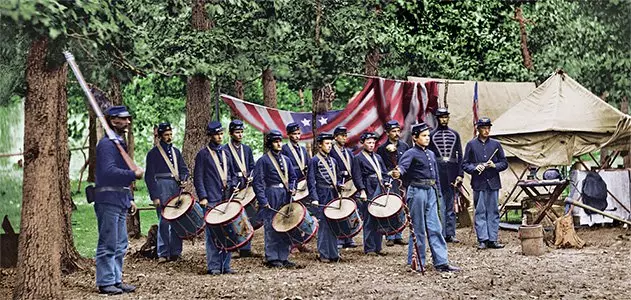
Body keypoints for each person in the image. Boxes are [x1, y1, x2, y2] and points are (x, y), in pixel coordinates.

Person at [394, 122, 460, 272]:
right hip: (417, 192)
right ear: (415, 137)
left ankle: (442, 262)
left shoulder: (430, 153)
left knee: (435, 227)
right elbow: (402, 167)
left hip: (431, 191)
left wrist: (437, 192)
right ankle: (417, 261)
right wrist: (398, 172)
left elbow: (435, 175)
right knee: (417, 229)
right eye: (423, 136)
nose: (427, 138)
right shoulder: (410, 153)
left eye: (428, 136)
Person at [94, 105, 143, 294]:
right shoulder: (106, 144)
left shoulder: (117, 142)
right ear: (114, 121)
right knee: (108, 242)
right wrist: (133, 174)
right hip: (107, 198)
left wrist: (129, 198)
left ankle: (116, 278)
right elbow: (108, 172)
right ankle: (106, 282)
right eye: (124, 119)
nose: (128, 122)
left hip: (120, 198)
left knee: (121, 242)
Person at [193, 121, 238, 275]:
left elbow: (232, 174)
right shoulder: (203, 154)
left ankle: (226, 266)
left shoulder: (226, 153)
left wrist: (233, 185)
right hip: (211, 198)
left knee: (228, 232)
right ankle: (213, 266)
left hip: (226, 198)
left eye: (221, 133)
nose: (219, 136)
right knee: (212, 234)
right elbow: (198, 178)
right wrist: (203, 196)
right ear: (210, 136)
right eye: (216, 134)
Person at [145, 122, 190, 263]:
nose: (169, 137)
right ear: (160, 136)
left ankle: (176, 251)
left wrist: (184, 179)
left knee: (177, 218)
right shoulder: (153, 153)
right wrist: (155, 196)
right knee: (164, 220)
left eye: (170, 134)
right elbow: (148, 176)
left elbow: (184, 169)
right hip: (162, 186)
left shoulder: (176, 152)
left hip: (176, 187)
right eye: (166, 135)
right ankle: (163, 252)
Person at [252, 130, 298, 268]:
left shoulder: (287, 160)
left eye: (280, 141)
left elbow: (294, 177)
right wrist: (263, 200)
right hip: (271, 194)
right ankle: (272, 257)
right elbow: (258, 182)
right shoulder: (263, 160)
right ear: (270, 144)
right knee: (271, 225)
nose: (279, 144)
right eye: (275, 141)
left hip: (285, 195)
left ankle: (283, 256)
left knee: (285, 224)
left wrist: (292, 187)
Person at [462, 117, 508, 250]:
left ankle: (493, 239)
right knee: (480, 211)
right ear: (478, 129)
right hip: (478, 183)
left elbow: (504, 163)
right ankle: (483, 239)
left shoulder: (496, 144)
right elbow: (465, 164)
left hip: (493, 183)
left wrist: (494, 165)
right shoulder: (471, 145)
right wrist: (475, 168)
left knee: (493, 211)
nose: (487, 131)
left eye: (488, 128)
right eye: (484, 128)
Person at [428, 108, 464, 243]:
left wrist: (460, 174)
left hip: (452, 172)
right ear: (438, 118)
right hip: (438, 173)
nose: (444, 120)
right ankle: (440, 233)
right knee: (439, 205)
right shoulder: (430, 135)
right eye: (442, 117)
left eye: (446, 117)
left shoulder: (455, 134)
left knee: (451, 205)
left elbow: (460, 155)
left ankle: (450, 233)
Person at [352, 132, 390, 256]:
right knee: (369, 219)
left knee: (379, 216)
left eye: (373, 143)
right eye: (368, 142)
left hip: (379, 187)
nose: (371, 145)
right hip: (368, 188)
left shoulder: (378, 157)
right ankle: (369, 248)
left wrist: (387, 182)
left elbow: (384, 172)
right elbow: (357, 176)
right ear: (362, 143)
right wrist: (362, 191)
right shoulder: (358, 158)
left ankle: (378, 247)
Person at [308, 133, 343, 262]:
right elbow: (311, 182)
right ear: (320, 145)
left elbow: (337, 177)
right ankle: (323, 254)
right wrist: (314, 198)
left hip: (332, 193)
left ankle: (334, 253)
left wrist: (339, 185)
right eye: (327, 144)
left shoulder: (333, 160)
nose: (329, 146)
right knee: (323, 225)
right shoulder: (314, 160)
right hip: (321, 194)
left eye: (330, 144)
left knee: (333, 223)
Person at [224, 120, 257, 258]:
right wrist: (232, 185)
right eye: (237, 132)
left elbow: (252, 166)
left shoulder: (247, 149)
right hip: (234, 185)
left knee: (247, 216)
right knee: (233, 216)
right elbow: (226, 171)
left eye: (241, 132)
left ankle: (246, 247)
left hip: (246, 185)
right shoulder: (225, 150)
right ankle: (233, 245)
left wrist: (251, 176)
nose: (240, 134)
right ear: (231, 133)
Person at [376, 120, 409, 247]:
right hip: (389, 181)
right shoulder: (382, 149)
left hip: (401, 181)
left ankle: (398, 234)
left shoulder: (404, 146)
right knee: (390, 207)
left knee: (401, 207)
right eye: (393, 131)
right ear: (387, 133)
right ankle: (389, 234)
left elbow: (407, 162)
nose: (396, 134)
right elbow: (380, 166)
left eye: (397, 131)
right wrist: (387, 175)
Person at [281, 122, 312, 252]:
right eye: (294, 134)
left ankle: (301, 242)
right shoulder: (284, 149)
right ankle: (291, 242)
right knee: (292, 213)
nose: (297, 136)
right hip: (292, 184)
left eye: (298, 133)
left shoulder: (303, 149)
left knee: (302, 212)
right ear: (288, 135)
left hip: (302, 184)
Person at [329, 126, 358, 249]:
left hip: (349, 184)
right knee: (338, 210)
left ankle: (348, 237)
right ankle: (339, 238)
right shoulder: (331, 151)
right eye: (342, 135)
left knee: (348, 210)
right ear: (335, 137)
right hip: (337, 184)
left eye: (346, 135)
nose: (345, 137)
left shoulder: (349, 152)